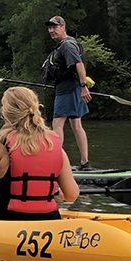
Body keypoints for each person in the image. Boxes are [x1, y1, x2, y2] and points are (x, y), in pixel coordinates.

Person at [0, 86, 78, 220]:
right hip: (48, 218)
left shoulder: (0, 144)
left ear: (5, 113)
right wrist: (52, 191)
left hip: (4, 218)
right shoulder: (54, 144)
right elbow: (71, 195)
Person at [43, 15, 91, 170]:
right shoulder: (64, 45)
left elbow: (79, 65)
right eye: (50, 27)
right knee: (76, 124)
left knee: (57, 124)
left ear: (63, 27)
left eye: (55, 27)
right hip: (70, 88)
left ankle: (56, 163)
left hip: (68, 90)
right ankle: (85, 163)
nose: (51, 30)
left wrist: (83, 86)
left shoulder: (67, 46)